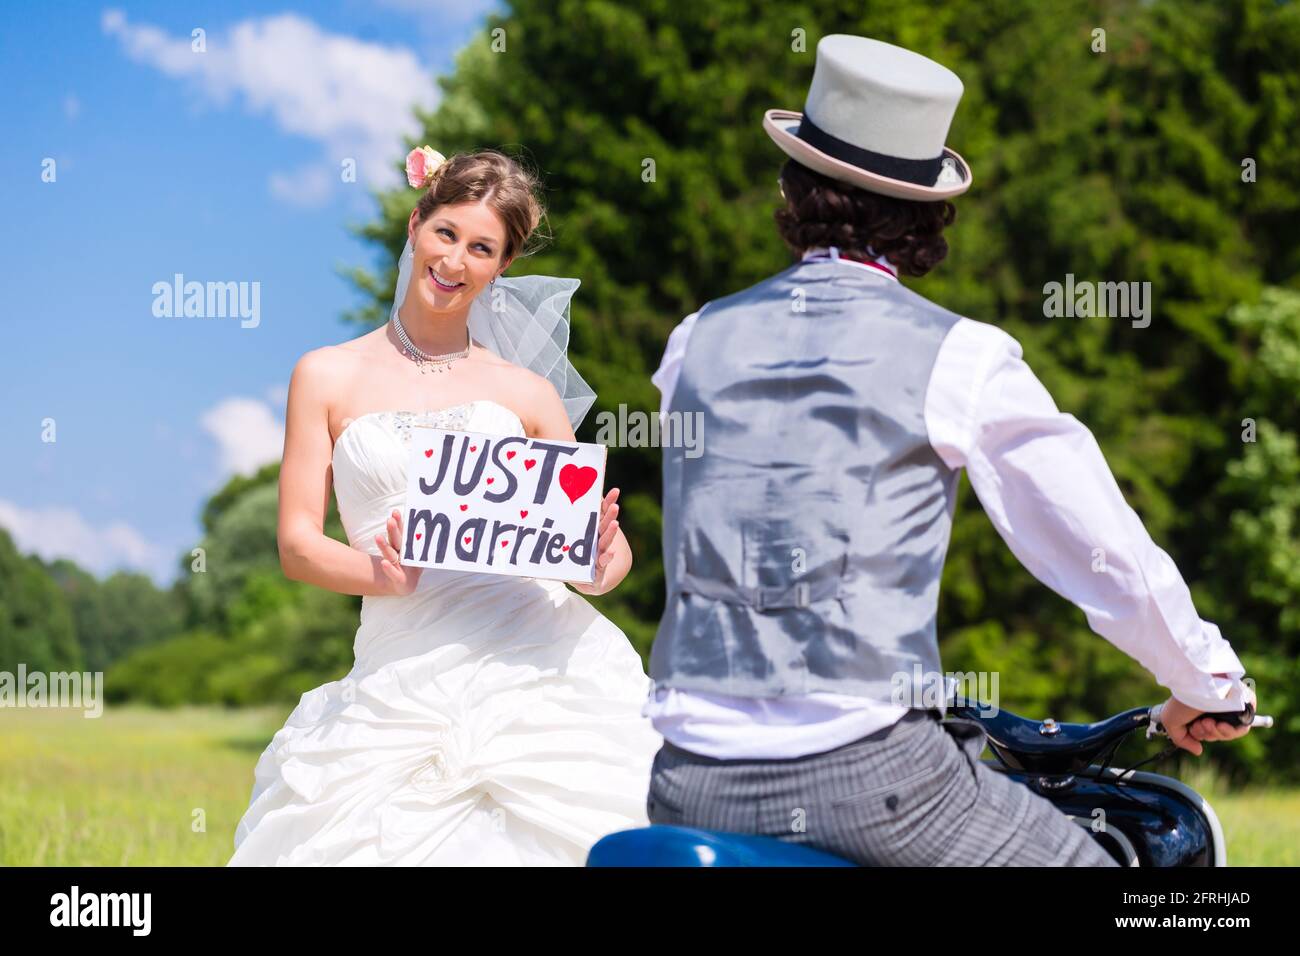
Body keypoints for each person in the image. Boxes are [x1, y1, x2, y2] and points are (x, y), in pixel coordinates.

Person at [644, 34, 1257, 866]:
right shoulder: (961, 355)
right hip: (865, 776)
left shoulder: (693, 341)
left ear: (794, 186)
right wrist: (1207, 683)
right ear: (929, 214)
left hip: (687, 776)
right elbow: (1099, 548)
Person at [228, 146, 661, 866]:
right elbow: (298, 543)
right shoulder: (326, 375)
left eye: (482, 248)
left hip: (536, 656)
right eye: (448, 233)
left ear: (501, 267)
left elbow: (595, 564)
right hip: (403, 661)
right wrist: (382, 576)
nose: (456, 260)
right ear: (416, 225)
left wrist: (600, 552)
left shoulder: (527, 394)